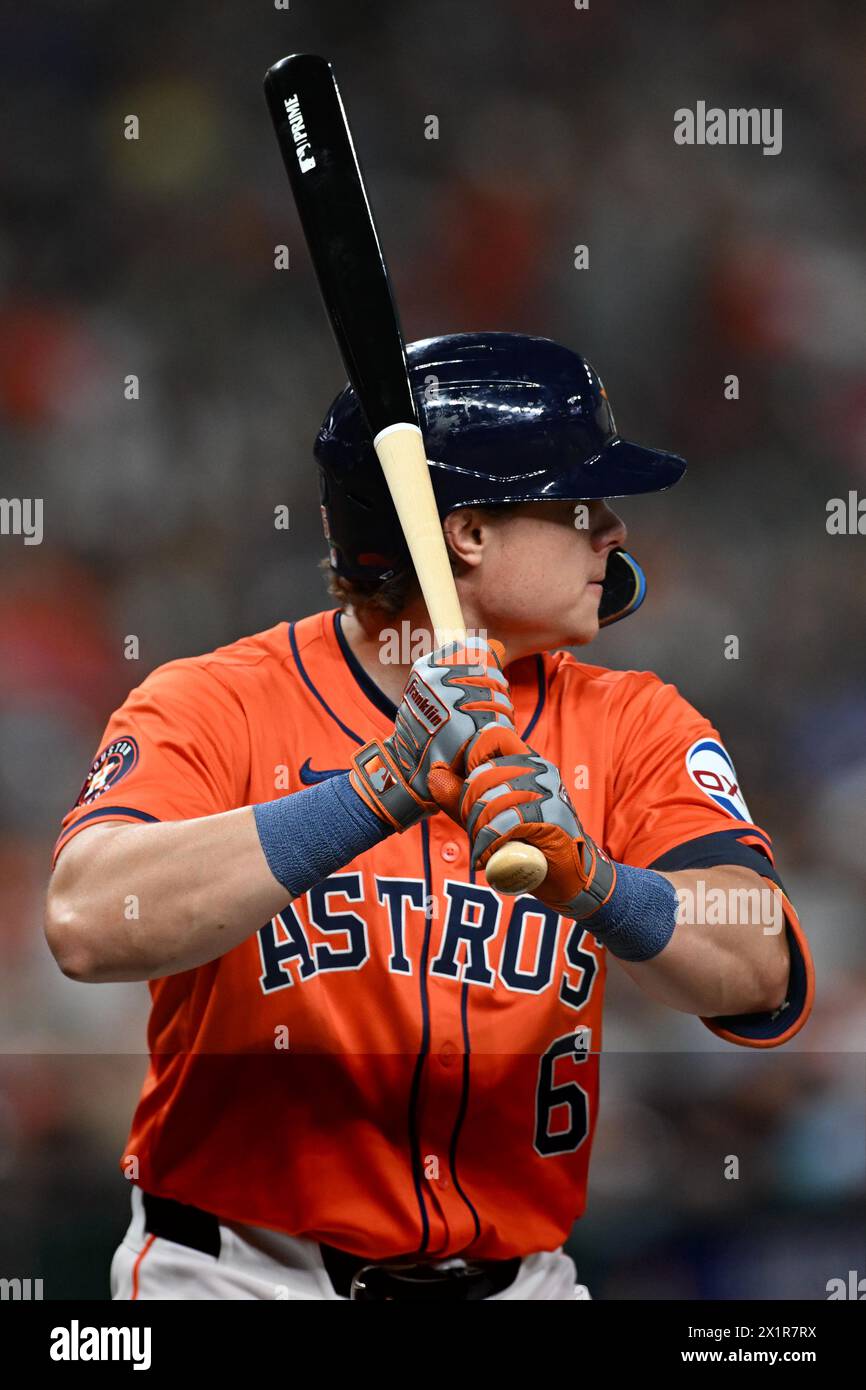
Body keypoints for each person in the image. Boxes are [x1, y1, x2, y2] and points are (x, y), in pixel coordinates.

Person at [44, 332, 813, 1301]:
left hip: (517, 1279)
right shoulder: (214, 703)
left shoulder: (632, 724)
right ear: (466, 533)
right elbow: (85, 921)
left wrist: (596, 881)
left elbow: (758, 968)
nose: (612, 530)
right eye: (579, 503)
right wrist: (373, 792)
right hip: (242, 1277)